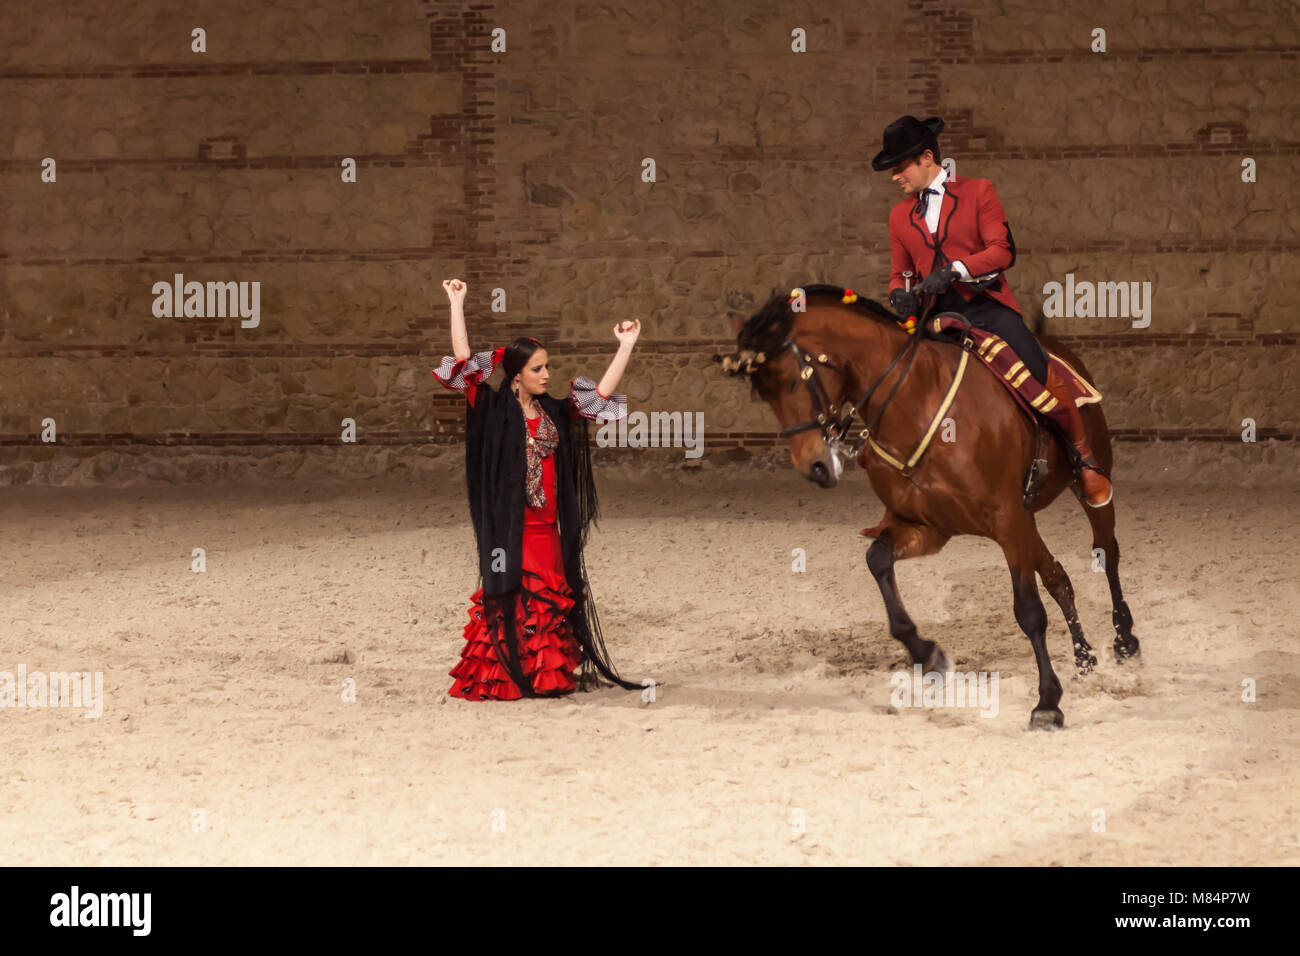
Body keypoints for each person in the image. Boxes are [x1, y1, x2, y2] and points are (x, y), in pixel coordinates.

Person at [874, 114, 1112, 508]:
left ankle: (1084, 457)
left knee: (1035, 364)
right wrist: (898, 292)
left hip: (984, 306)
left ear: (927, 158)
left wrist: (954, 269)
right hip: (934, 317)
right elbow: (898, 271)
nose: (894, 176)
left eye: (899, 167)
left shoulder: (978, 191)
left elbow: (1001, 250)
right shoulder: (899, 216)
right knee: (896, 377)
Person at [432, 278, 645, 700]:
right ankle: (510, 675)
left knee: (548, 600)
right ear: (516, 374)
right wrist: (457, 303)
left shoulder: (553, 412)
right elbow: (463, 361)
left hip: (548, 526)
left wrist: (625, 346)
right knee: (515, 595)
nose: (547, 375)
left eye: (548, 367)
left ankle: (547, 674)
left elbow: (599, 397)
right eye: (537, 368)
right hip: (513, 527)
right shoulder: (493, 408)